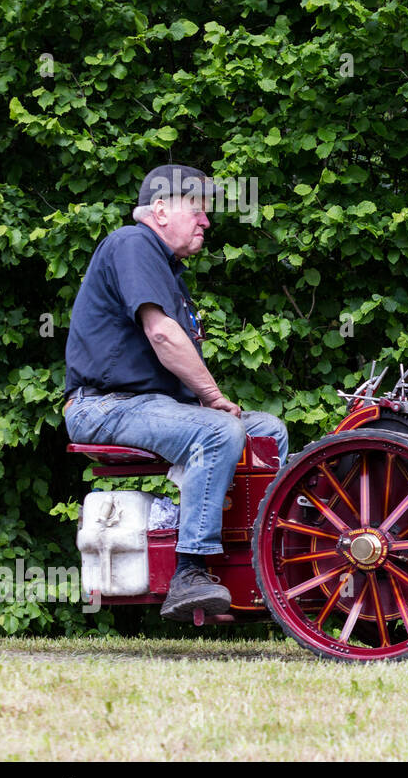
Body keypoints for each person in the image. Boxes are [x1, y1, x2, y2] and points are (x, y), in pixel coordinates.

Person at [63, 164, 289, 621]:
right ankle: (190, 571)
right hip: (104, 406)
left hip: (152, 406)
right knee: (219, 431)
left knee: (268, 431)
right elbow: (163, 335)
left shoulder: (170, 271)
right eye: (198, 209)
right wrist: (212, 397)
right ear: (160, 209)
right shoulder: (132, 243)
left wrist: (209, 402)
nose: (207, 221)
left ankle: (250, 569)